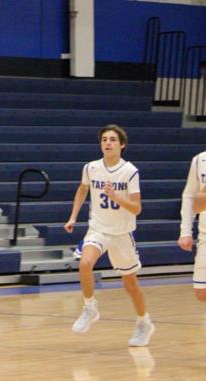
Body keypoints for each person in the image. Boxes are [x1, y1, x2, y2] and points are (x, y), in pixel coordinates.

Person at [64, 125, 154, 347]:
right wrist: (73, 216)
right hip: (98, 229)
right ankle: (89, 307)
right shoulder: (91, 167)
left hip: (122, 233)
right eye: (104, 139)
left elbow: (136, 208)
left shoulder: (130, 171)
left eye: (113, 139)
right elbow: (82, 189)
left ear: (122, 144)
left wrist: (115, 195)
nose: (108, 143)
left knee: (130, 285)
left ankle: (144, 322)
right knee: (85, 263)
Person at [178, 150, 206, 302]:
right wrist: (185, 232)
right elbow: (189, 195)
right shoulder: (200, 160)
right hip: (205, 233)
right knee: (201, 292)